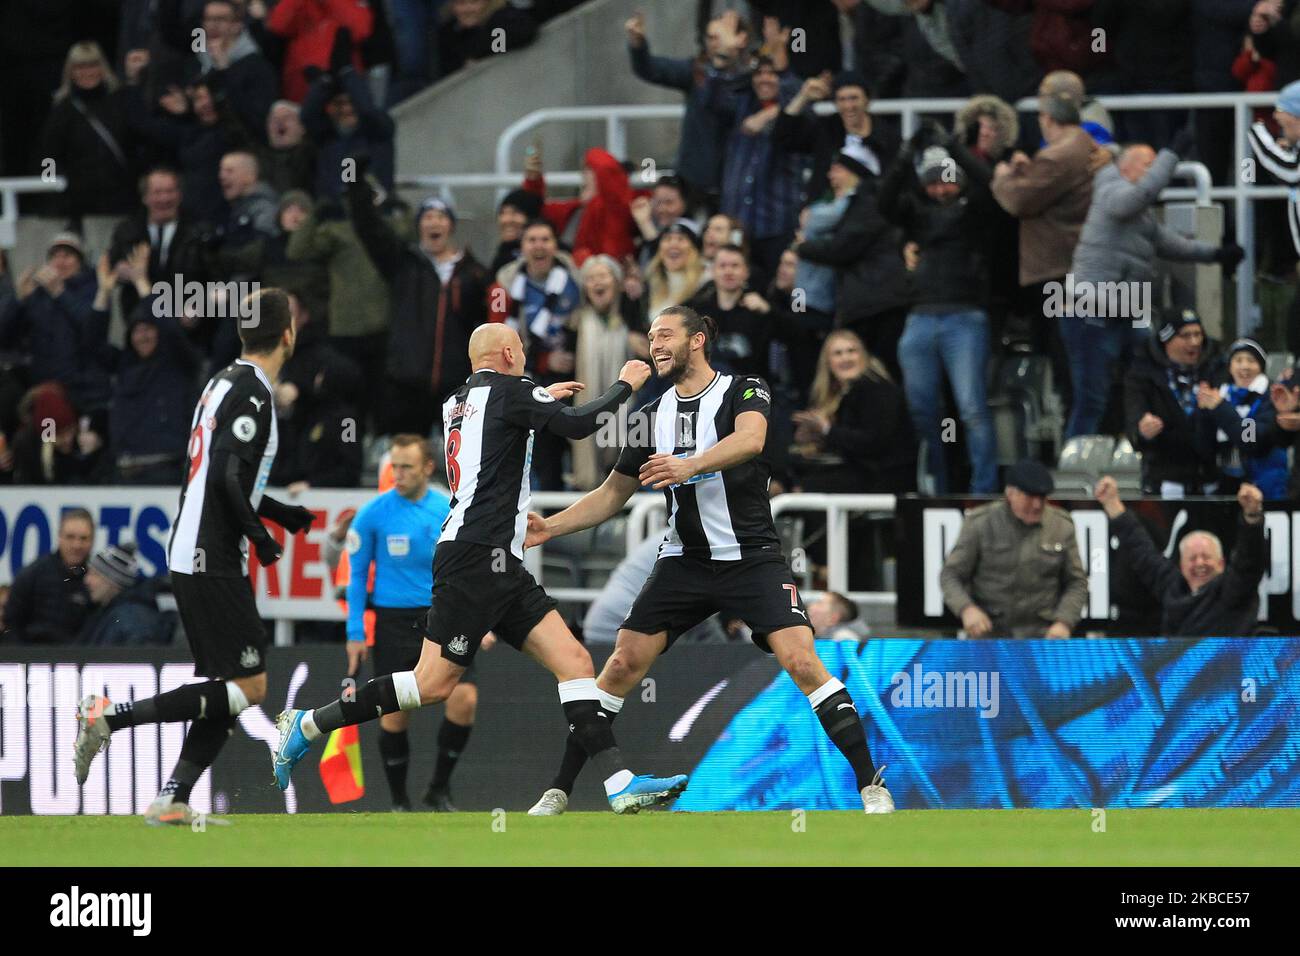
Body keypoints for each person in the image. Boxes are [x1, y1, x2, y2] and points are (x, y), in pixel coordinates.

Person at [272, 324, 690, 815]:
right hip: (475, 555)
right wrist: (627, 383)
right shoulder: (514, 391)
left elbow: (500, 430)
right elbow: (579, 426)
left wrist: (540, 403)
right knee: (432, 685)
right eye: (523, 350)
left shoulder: (458, 401)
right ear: (510, 352)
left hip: (493, 557)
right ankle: (305, 725)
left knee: (575, 663)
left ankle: (618, 784)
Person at [524, 305, 894, 816]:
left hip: (752, 558)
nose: (654, 345)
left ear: (697, 341)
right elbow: (612, 494)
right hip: (685, 561)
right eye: (651, 336)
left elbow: (751, 440)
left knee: (803, 661)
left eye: (665, 335)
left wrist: (689, 465)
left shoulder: (746, 389)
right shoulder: (650, 414)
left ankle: (870, 785)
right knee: (622, 663)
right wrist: (552, 525)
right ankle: (560, 790)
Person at [73, 288, 318, 825]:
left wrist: (278, 511)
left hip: (195, 548)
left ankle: (173, 799)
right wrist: (260, 534)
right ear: (288, 334)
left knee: (231, 688)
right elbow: (229, 477)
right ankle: (110, 718)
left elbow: (221, 475)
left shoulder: (221, 382)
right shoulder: (253, 392)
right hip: (211, 553)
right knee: (249, 686)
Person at [1065, 136, 1242, 439]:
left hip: (1124, 312)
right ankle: (1075, 465)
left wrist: (1215, 254)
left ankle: (1143, 448)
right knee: (1092, 398)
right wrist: (1171, 154)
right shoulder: (1111, 192)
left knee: (1149, 377)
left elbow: (1171, 244)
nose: (1158, 174)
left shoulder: (1140, 215)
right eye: (1151, 165)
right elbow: (1140, 195)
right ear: (1128, 167)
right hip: (1090, 314)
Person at [342, 434, 482, 811]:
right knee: (395, 711)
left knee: (464, 699)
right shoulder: (372, 513)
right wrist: (355, 632)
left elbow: (471, 569)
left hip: (444, 616)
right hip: (392, 622)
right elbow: (356, 577)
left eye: (406, 467)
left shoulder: (447, 510)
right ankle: (399, 802)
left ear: (427, 468)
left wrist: (483, 620)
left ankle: (438, 787)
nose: (398, 474)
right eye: (394, 466)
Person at [882, 122, 999, 493]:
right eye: (932, 182)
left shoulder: (976, 211)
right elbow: (884, 201)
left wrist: (954, 147)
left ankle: (983, 490)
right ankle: (934, 488)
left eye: (948, 180)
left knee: (972, 409)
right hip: (919, 316)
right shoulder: (917, 215)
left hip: (965, 316)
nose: (940, 188)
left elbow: (991, 183)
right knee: (921, 410)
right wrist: (905, 156)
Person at [349, 173, 489, 436]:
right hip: (406, 384)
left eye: (441, 217)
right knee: (404, 459)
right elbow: (369, 229)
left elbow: (488, 320)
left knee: (458, 463)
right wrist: (356, 182)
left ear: (451, 225)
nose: (434, 223)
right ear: (418, 226)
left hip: (456, 386)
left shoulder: (475, 273)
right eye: (427, 217)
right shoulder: (403, 264)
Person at [991, 92, 1105, 406]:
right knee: (1074, 360)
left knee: (1067, 362)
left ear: (1047, 118)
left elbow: (1017, 201)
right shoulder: (1083, 146)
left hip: (1059, 273)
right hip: (1074, 271)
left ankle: (1076, 439)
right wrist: (1025, 171)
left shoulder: (1059, 155)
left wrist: (1001, 177)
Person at [1093, 475, 1267, 636]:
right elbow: (1141, 551)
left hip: (1230, 666)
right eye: (1192, 558)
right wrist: (1112, 504)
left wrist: (1252, 516)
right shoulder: (1172, 587)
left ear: (1221, 563)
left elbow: (1249, 559)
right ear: (1182, 566)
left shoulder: (1233, 589)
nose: (1200, 563)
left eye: (1206, 557)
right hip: (1178, 667)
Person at [794, 145, 912, 382]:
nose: (831, 176)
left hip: (879, 304)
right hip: (870, 302)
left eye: (838, 169)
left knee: (881, 374)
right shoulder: (862, 203)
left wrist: (803, 247)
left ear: (856, 172)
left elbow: (843, 247)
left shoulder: (870, 200)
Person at [939, 460, 1088, 639]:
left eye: (1042, 498)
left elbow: (1077, 582)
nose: (1037, 505)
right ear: (1010, 494)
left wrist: (1064, 622)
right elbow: (950, 575)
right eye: (1029, 497)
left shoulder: (1060, 526)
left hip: (1043, 634)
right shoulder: (980, 523)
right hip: (991, 632)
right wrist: (967, 609)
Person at [488, 219, 581, 488]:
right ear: (522, 247)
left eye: (545, 239)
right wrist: (542, 359)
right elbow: (497, 337)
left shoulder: (576, 280)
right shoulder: (503, 286)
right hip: (528, 377)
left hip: (577, 374)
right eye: (532, 240)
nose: (539, 246)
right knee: (542, 449)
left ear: (555, 246)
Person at [625, 10, 751, 203]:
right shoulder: (697, 71)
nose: (713, 43)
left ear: (741, 39)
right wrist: (638, 43)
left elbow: (727, 106)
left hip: (739, 181)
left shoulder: (756, 78)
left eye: (719, 37)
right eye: (710, 37)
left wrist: (721, 63)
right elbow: (650, 69)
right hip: (694, 180)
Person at [789, 330, 915, 495]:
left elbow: (873, 442)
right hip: (859, 471)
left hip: (883, 476)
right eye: (838, 353)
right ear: (828, 362)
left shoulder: (876, 389)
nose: (845, 358)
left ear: (863, 356)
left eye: (851, 351)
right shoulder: (840, 394)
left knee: (800, 490)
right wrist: (813, 438)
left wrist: (826, 430)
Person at [1126, 308, 1226, 497]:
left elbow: (1248, 431)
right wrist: (1142, 430)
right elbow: (1133, 422)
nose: (1194, 342)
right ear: (1167, 339)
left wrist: (1221, 408)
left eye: (1198, 334)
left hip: (1212, 478)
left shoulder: (1218, 368)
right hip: (1164, 479)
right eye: (1185, 336)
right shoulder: (1142, 374)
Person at [39, 41, 136, 219]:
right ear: (71, 72)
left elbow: (135, 146)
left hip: (120, 198)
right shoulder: (62, 109)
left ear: (102, 68)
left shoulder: (121, 101)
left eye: (92, 65)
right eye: (80, 67)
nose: (87, 72)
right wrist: (53, 189)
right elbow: (48, 156)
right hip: (77, 202)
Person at [774, 69, 897, 200]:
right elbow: (782, 138)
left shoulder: (887, 136)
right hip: (825, 213)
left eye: (854, 98)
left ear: (867, 100)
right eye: (842, 99)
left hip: (870, 214)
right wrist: (803, 97)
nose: (848, 106)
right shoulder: (826, 129)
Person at [1198, 338, 1290, 499]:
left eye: (1251, 360)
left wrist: (1220, 408)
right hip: (1223, 487)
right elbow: (1202, 445)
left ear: (1261, 366)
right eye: (1238, 360)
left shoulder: (1272, 396)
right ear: (1230, 366)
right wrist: (1202, 411)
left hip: (1265, 488)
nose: (1244, 366)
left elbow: (1251, 439)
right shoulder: (1221, 393)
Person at [2, 509, 94, 644]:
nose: (76, 545)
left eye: (83, 538)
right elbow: (12, 622)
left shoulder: (96, 581)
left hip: (78, 660)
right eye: (70, 537)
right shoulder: (32, 575)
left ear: (92, 541)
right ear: (59, 537)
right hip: (33, 659)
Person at [77, 543, 172, 647]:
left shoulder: (133, 619)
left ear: (114, 580)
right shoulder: (108, 612)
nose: (86, 580)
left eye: (95, 574)